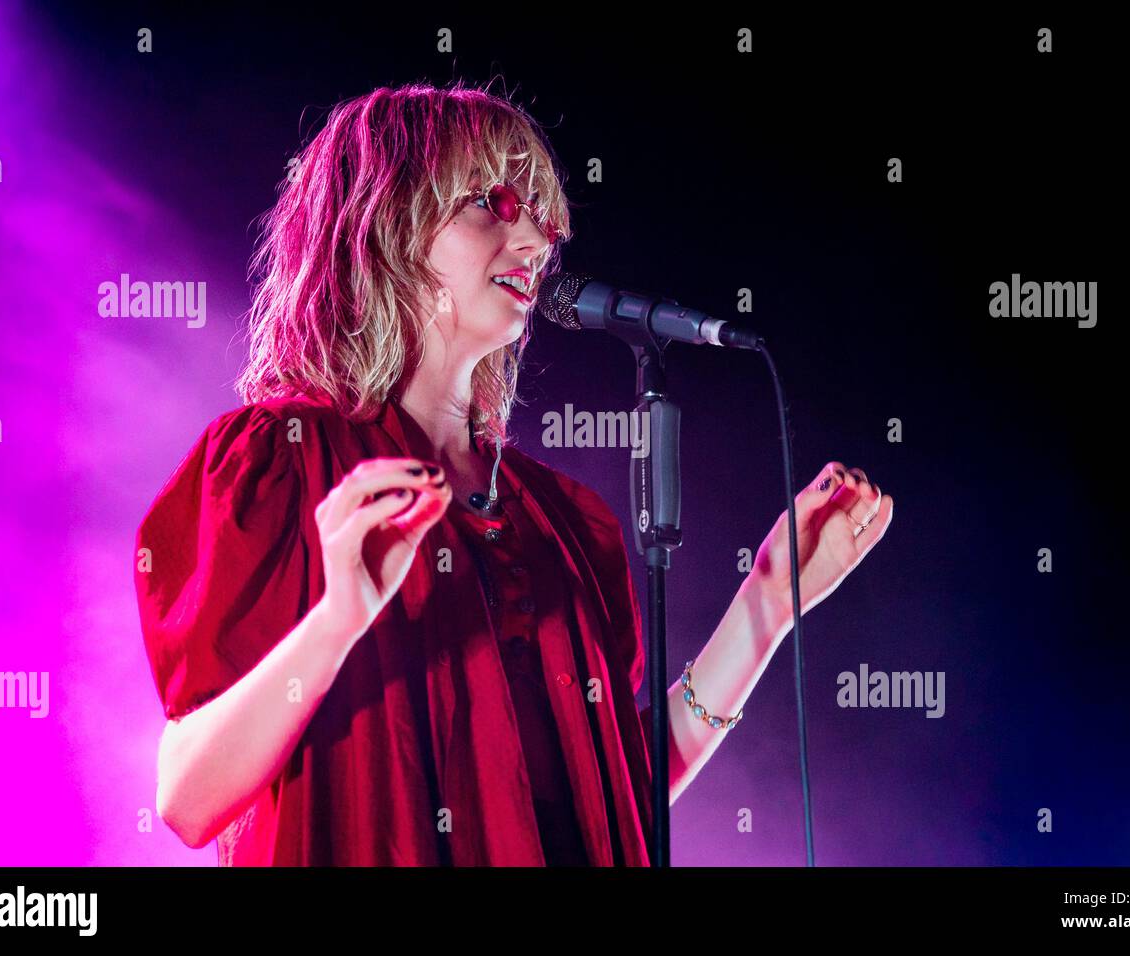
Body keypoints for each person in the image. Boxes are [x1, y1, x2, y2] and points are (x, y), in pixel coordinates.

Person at [134, 81, 894, 866]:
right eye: (492, 203)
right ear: (384, 223)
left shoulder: (562, 518)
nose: (534, 242)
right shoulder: (280, 462)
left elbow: (616, 798)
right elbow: (188, 800)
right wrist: (336, 621)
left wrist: (767, 603)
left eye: (541, 217)